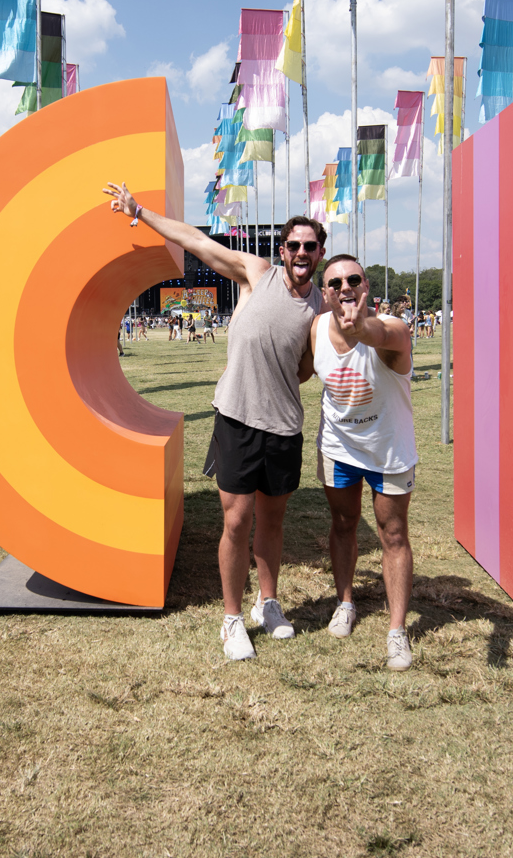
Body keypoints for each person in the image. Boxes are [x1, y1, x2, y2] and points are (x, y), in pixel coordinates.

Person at [103, 181, 324, 662]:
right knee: (237, 520)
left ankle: (269, 604)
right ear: (281, 250)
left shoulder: (320, 309)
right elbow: (194, 240)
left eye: (310, 246)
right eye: (294, 245)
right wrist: (140, 211)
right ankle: (231, 619)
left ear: (319, 252)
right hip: (237, 419)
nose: (301, 253)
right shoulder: (255, 272)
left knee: (272, 521)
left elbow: (307, 368)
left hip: (284, 426)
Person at [313, 255, 418, 670]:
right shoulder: (317, 328)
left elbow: (374, 332)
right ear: (325, 293)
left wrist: (359, 326)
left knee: (392, 534)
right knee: (342, 525)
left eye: (352, 280)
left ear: (366, 286)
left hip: (388, 449)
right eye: (335, 282)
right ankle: (345, 603)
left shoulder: (392, 330)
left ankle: (397, 630)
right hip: (338, 446)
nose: (344, 287)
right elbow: (300, 368)